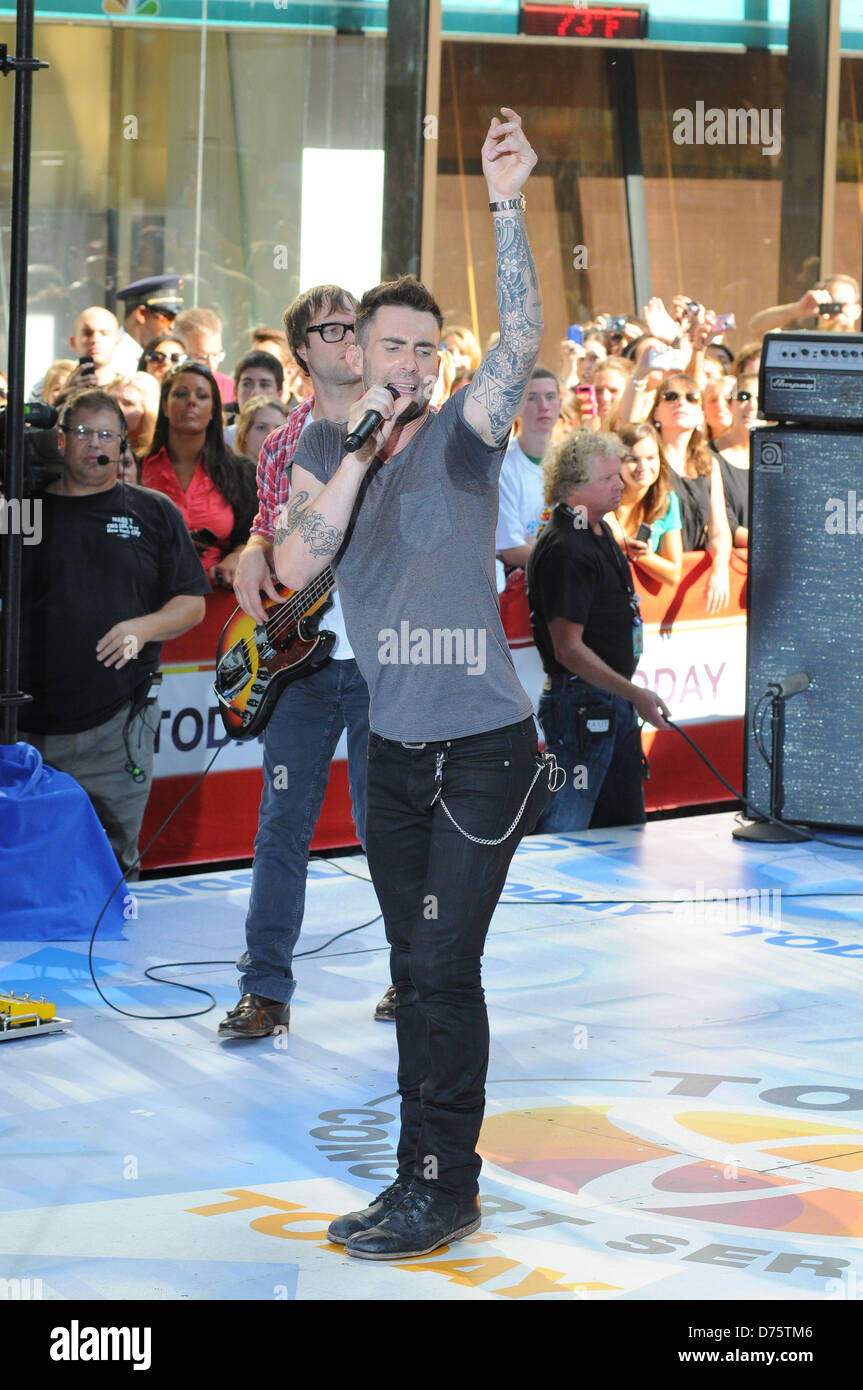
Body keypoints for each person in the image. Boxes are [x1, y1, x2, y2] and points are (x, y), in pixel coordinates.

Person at [275, 107, 550, 1260]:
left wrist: (502, 202)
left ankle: (449, 1185)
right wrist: (352, 452)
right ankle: (415, 1177)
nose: (411, 365)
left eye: (425, 351)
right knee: (411, 968)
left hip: (484, 745)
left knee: (442, 965)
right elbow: (293, 568)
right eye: (393, 348)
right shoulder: (318, 458)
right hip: (390, 751)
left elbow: (521, 340)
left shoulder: (462, 437)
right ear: (352, 354)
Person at [217, 282, 376, 1038]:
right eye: (330, 329)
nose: (348, 337)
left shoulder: (401, 427)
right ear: (302, 352)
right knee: (282, 824)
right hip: (302, 660)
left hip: (384, 657)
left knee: (393, 826)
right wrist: (252, 550)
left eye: (356, 325)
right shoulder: (281, 445)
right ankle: (266, 991)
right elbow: (264, 526)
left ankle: (415, 979)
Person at [19, 388, 207, 878]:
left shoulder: (153, 511)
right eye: (82, 432)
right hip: (27, 729)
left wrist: (143, 627)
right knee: (29, 862)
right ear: (61, 441)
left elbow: (191, 603)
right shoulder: (27, 512)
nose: (94, 444)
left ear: (124, 444)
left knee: (112, 866)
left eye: (107, 434)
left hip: (117, 724)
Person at [526, 429, 671, 835]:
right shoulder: (567, 546)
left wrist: (628, 695)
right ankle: (551, 896)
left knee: (624, 826)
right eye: (608, 478)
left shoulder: (600, 529)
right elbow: (569, 649)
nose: (620, 484)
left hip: (609, 702)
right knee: (565, 826)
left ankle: (621, 896)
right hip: (583, 707)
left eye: (617, 475)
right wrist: (635, 694)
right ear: (574, 486)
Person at [141, 362, 256, 588]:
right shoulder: (136, 468)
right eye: (181, 394)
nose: (191, 401)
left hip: (217, 601)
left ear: (214, 410)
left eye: (202, 396)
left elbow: (253, 537)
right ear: (165, 406)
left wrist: (237, 556)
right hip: (149, 597)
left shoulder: (240, 471)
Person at [649, 372, 731, 612]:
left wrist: (720, 568)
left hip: (693, 580)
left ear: (700, 415)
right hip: (652, 574)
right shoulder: (646, 459)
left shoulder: (708, 462)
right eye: (670, 396)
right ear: (656, 412)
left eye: (692, 397)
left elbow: (719, 529)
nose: (681, 402)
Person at [495, 366, 561, 573]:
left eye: (550, 397)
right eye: (532, 398)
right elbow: (511, 550)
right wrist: (566, 564)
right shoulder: (502, 468)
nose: (543, 407)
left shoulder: (572, 461)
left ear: (560, 403)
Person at [605, 422, 682, 586]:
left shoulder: (668, 500)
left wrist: (632, 550)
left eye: (651, 458)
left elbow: (673, 574)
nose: (643, 467)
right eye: (632, 459)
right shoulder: (599, 500)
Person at [709, 373, 760, 547]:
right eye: (743, 397)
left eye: (760, 399)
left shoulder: (781, 459)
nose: (752, 406)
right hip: (731, 564)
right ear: (730, 404)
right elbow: (725, 525)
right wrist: (769, 544)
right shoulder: (708, 456)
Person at [749, 273, 862, 337]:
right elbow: (757, 326)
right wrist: (798, 309)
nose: (836, 311)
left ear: (857, 311)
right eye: (831, 305)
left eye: (843, 305)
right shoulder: (805, 342)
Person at [114, 275, 185, 376]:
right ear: (142, 314)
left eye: (175, 318)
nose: (172, 326)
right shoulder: (117, 356)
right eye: (168, 317)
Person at [173, 307, 236, 402]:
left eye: (216, 355)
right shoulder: (168, 388)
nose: (212, 364)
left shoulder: (229, 388)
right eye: (202, 357)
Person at [223, 350, 284, 445]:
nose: (255, 392)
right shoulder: (222, 441)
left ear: (279, 394)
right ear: (236, 391)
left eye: (264, 385)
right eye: (247, 384)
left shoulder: (292, 441)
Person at [108, 371, 161, 458]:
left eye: (127, 403)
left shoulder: (157, 456)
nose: (115, 409)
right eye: (111, 401)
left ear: (148, 411)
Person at [235, 395, 292, 465]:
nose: (271, 435)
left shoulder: (297, 473)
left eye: (279, 429)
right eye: (262, 428)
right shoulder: (229, 472)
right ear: (243, 433)